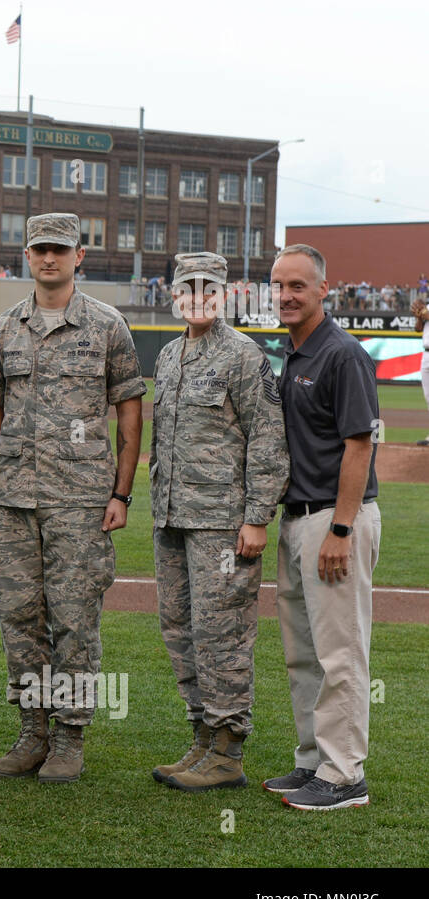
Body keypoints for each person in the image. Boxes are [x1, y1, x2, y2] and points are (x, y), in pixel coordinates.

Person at [0, 213, 145, 783]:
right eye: (38, 249)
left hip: (80, 500)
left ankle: (70, 738)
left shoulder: (106, 326)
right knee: (20, 619)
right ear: (26, 255)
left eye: (59, 249)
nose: (48, 258)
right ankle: (32, 732)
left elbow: (128, 407)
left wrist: (121, 492)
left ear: (79, 257)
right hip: (11, 500)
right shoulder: (3, 328)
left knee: (75, 621)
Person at [149, 252, 288, 792]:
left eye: (209, 289)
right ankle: (202, 737)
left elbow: (269, 442)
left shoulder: (243, 356)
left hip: (222, 526)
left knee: (222, 635)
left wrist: (257, 519)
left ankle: (229, 750)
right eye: (188, 288)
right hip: (172, 518)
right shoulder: (167, 355)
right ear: (175, 295)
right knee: (180, 630)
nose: (198, 297)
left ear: (225, 294)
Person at [266, 243, 381, 811]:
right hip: (297, 519)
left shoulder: (342, 354)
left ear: (322, 292)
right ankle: (313, 761)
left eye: (298, 286)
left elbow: (360, 444)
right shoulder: (295, 352)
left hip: (334, 521)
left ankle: (344, 776)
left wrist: (340, 528)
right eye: (279, 285)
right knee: (304, 653)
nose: (286, 295)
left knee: (341, 653)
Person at [412, 299, 429, 446]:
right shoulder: (426, 308)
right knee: (428, 396)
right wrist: (419, 317)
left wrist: (424, 313)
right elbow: (418, 329)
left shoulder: (426, 310)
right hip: (426, 354)